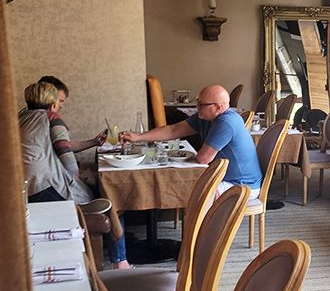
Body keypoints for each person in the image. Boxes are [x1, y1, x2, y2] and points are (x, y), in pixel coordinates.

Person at [20, 80, 131, 269]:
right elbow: (64, 152)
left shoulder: (21, 117)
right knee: (109, 195)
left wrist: (93, 142)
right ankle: (120, 261)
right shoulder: (51, 117)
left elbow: (55, 146)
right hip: (44, 187)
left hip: (23, 190)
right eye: (60, 102)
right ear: (52, 103)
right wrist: (76, 177)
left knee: (96, 185)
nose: (61, 106)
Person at [120, 84, 262, 195]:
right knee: (183, 185)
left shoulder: (226, 123)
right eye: (197, 102)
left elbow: (203, 159)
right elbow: (172, 131)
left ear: (218, 107)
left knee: (190, 190)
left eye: (201, 104)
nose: (196, 106)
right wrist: (138, 137)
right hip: (225, 179)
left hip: (241, 186)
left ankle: (201, 231)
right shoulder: (205, 117)